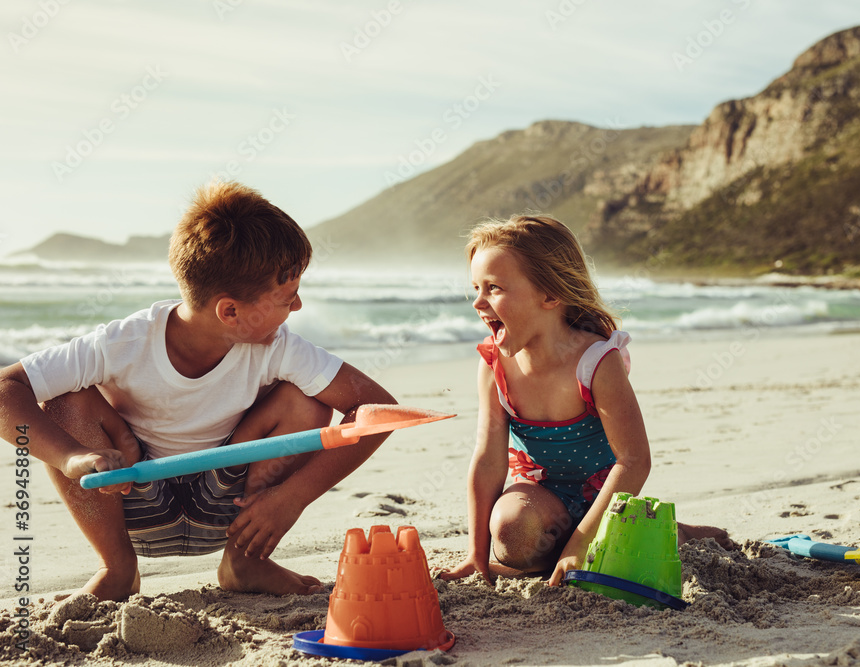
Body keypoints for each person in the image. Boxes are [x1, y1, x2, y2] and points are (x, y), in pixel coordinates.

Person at [0, 181, 396, 601]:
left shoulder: (278, 347)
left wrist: (291, 497)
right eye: (287, 297)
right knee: (66, 400)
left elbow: (377, 408)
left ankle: (245, 562)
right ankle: (117, 568)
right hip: (133, 496)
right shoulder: (122, 344)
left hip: (235, 512)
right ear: (230, 311)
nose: (296, 308)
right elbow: (6, 387)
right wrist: (71, 456)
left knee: (307, 400)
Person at [441, 215, 729, 587]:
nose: (479, 302)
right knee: (513, 537)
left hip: (605, 498)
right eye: (476, 288)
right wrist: (476, 555)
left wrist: (579, 542)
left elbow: (634, 460)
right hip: (539, 498)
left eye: (494, 288)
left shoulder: (595, 362)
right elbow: (487, 461)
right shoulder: (496, 366)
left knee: (613, 552)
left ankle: (674, 531)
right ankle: (563, 549)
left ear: (550, 294)